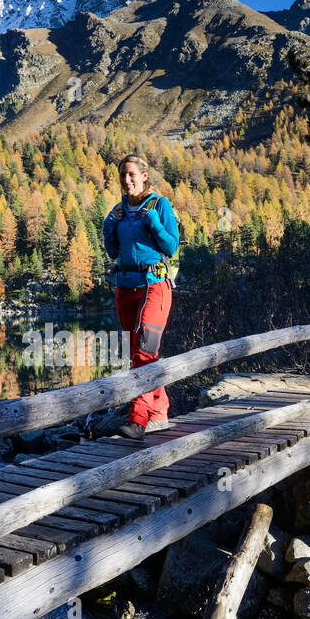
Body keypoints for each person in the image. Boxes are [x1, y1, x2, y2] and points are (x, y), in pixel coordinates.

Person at [102, 154, 179, 439]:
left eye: (132, 174)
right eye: (123, 174)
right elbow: (112, 251)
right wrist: (109, 226)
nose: (126, 180)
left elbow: (171, 246)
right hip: (125, 288)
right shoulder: (118, 210)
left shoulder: (160, 204)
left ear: (144, 176)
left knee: (144, 351)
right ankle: (159, 413)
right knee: (139, 354)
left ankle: (138, 420)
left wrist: (155, 223)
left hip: (154, 286)